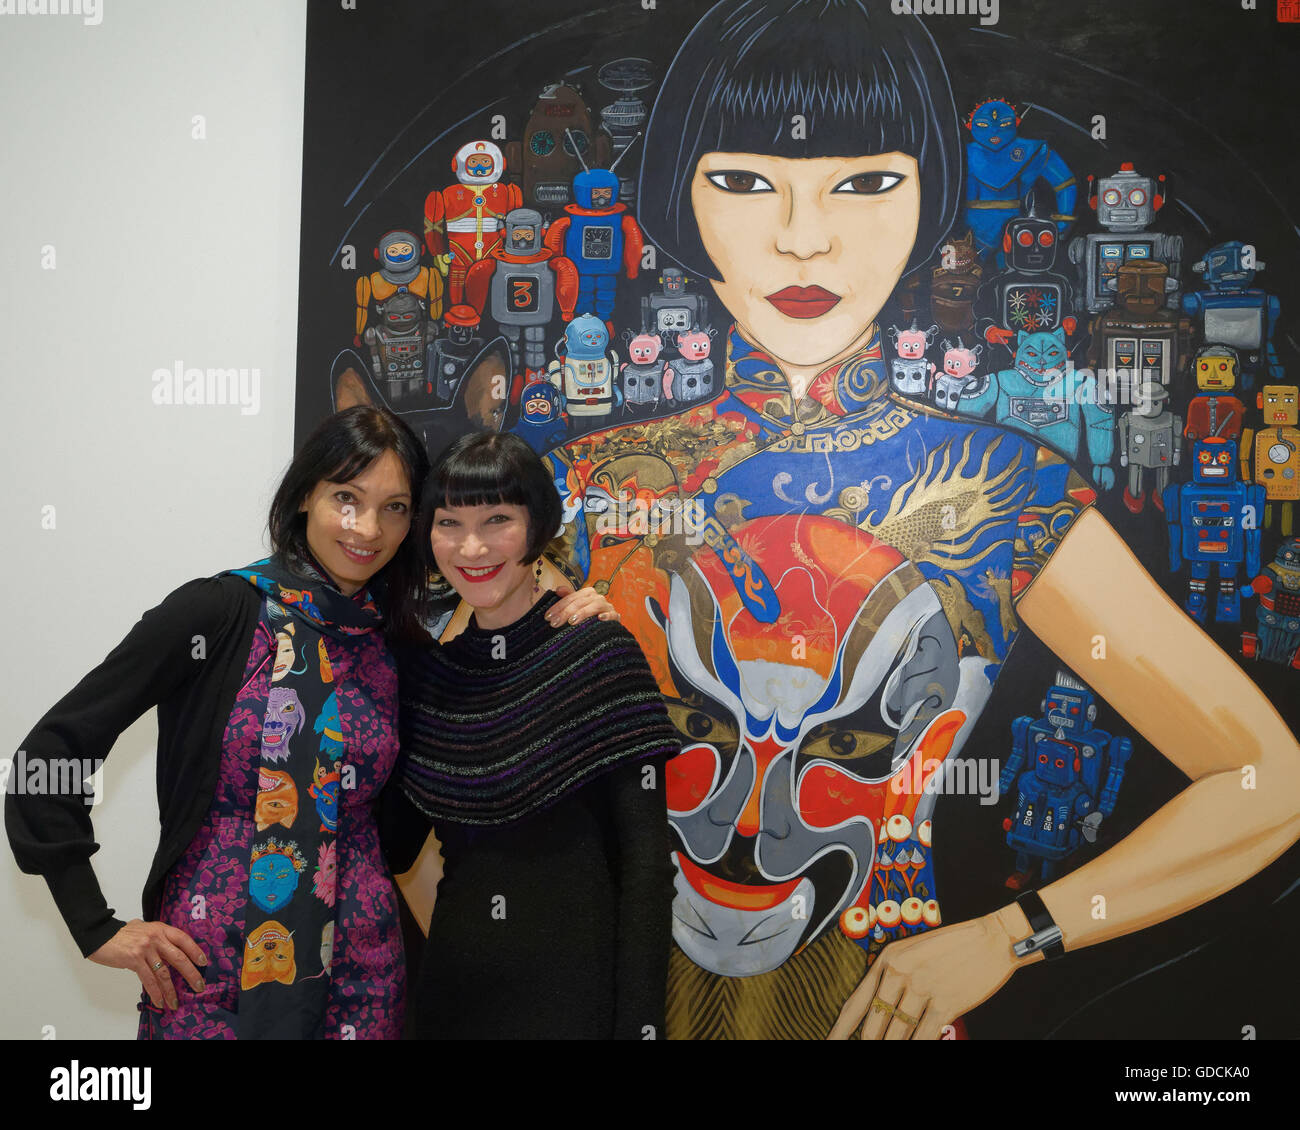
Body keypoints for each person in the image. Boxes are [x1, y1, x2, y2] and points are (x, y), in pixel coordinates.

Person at [541, 0, 1300, 1040]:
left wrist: (1014, 934)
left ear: (928, 199)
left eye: (864, 183)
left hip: (874, 1010)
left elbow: (1265, 779)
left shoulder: (1002, 487)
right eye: (744, 181)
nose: (803, 236)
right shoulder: (581, 484)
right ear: (678, 197)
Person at [5, 405, 613, 1039]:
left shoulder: (399, 646)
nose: (367, 528)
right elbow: (54, 752)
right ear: (304, 498)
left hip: (362, 976)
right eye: (346, 498)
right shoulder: (216, 614)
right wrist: (93, 924)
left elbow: (456, 760)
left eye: (396, 507)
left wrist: (569, 622)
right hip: (207, 971)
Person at [384, 431, 678, 1039]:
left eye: (498, 519)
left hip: (574, 1002)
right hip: (451, 997)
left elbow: (646, 869)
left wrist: (641, 1028)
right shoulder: (429, 676)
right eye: (448, 523)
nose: (471, 546)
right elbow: (394, 845)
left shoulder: (597, 652)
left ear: (540, 527)